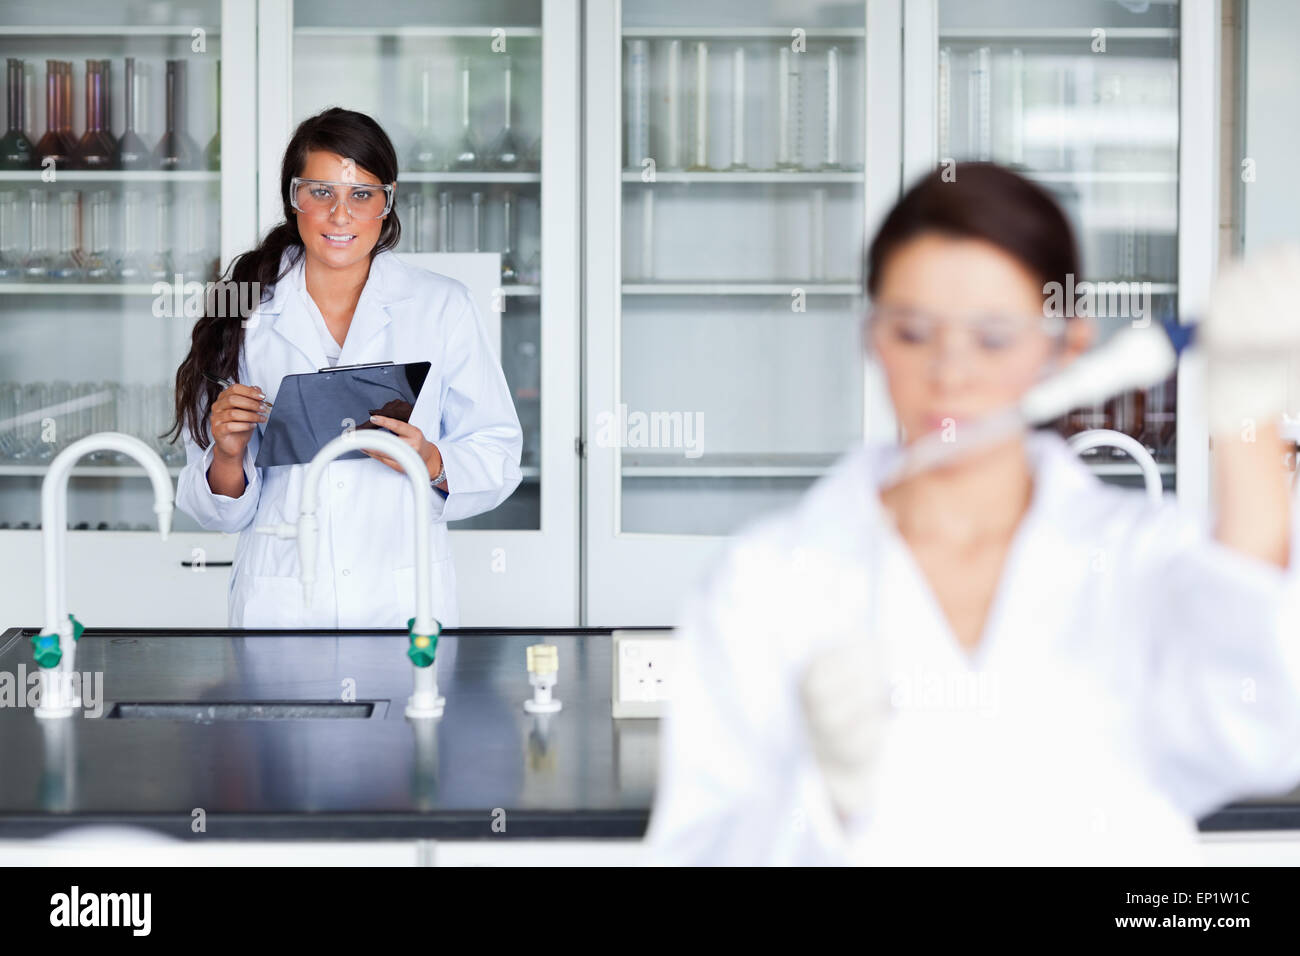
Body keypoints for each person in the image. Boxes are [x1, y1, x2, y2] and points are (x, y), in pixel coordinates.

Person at [648, 163, 1300, 865]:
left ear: (1068, 343)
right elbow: (693, 851)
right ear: (871, 337)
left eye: (993, 337)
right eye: (912, 333)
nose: (950, 372)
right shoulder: (770, 579)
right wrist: (821, 808)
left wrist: (1249, 420)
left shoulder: (1141, 557)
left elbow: (1261, 734)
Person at [170, 108, 522, 628]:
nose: (340, 215)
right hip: (282, 599)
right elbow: (220, 511)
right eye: (321, 192)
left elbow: (498, 451)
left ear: (387, 202)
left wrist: (429, 459)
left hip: (402, 598)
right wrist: (227, 452)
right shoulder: (243, 309)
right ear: (294, 200)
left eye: (361, 195)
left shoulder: (441, 305)